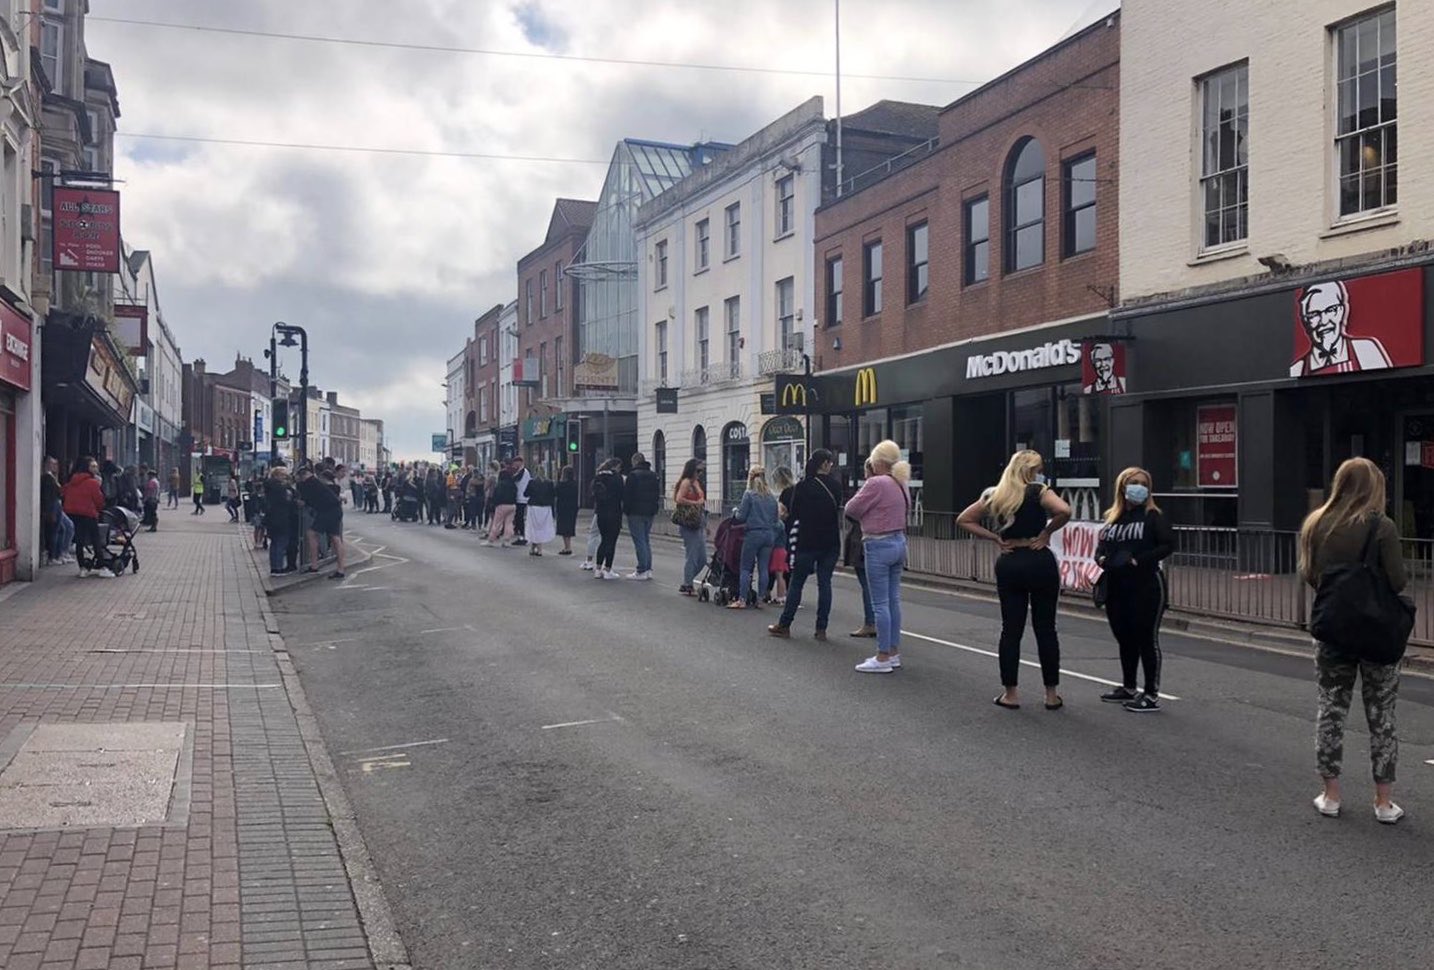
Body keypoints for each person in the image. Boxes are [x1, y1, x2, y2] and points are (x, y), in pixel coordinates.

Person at [1298, 457, 1406, 824]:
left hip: (1334, 630)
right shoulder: (1382, 526)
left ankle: (1330, 794)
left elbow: (1311, 574)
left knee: (1331, 709)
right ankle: (1383, 801)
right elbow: (1398, 580)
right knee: (1382, 716)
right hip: (1377, 632)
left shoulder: (1317, 524)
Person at [958, 450, 1072, 710]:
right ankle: (1051, 694)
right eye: (1038, 468)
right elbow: (1064, 510)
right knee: (1046, 628)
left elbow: (964, 519)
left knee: (1011, 629)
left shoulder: (995, 494)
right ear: (1031, 470)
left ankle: (1011, 694)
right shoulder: (1038, 490)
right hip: (1039, 559)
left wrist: (994, 538)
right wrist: (1046, 533)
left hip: (1010, 561)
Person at [1095, 467, 1173, 712]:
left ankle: (1151, 694)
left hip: (1146, 584)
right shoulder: (1113, 518)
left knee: (1146, 639)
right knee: (1124, 636)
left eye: (1143, 483)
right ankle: (1129, 686)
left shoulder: (1153, 516)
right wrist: (1102, 559)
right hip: (1117, 584)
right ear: (1122, 486)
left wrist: (1140, 560)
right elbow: (1101, 548)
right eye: (1133, 482)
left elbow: (1168, 545)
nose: (1138, 487)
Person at [843, 442, 911, 672]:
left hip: (878, 544)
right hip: (899, 541)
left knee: (879, 602)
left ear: (878, 462)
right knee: (893, 600)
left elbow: (851, 509)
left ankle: (882, 657)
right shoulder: (901, 482)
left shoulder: (876, 482)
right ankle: (893, 652)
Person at [768, 450, 842, 640]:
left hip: (807, 541)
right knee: (825, 584)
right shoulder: (836, 487)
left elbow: (793, 515)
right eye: (830, 463)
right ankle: (821, 629)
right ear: (824, 464)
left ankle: (785, 625)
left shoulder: (802, 487)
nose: (831, 466)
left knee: (797, 583)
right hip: (830, 542)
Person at [1290, 280, 1393, 377]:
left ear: (1341, 311)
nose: (1324, 321)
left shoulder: (1365, 350)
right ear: (1305, 321)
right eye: (1313, 314)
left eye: (1330, 310)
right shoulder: (1297, 369)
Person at [729, 465, 780, 610]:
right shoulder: (771, 496)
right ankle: (760, 599)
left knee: (745, 568)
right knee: (763, 568)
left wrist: (735, 512)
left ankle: (742, 599)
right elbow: (776, 519)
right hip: (769, 535)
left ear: (750, 478)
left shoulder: (749, 494)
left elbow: (741, 516)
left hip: (753, 534)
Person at [62, 456, 112, 578]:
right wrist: (100, 509)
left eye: (96, 466)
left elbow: (64, 493)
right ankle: (101, 566)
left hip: (75, 514)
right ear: (87, 468)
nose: (96, 468)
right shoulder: (93, 483)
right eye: (93, 466)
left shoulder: (73, 481)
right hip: (89, 514)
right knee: (96, 540)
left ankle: (82, 567)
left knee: (80, 541)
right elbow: (99, 500)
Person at [297, 465, 347, 579]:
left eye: (300, 476)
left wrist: (300, 501)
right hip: (335, 509)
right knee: (336, 538)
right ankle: (340, 569)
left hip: (327, 511)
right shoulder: (315, 482)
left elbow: (304, 501)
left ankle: (314, 565)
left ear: (303, 475)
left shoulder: (307, 484)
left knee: (311, 533)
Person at [843, 473, 877, 638]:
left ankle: (870, 622)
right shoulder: (895, 486)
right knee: (886, 588)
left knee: (867, 584)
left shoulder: (869, 489)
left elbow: (850, 511)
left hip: (863, 540)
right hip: (890, 542)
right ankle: (884, 623)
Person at [673, 458, 707, 595]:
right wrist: (694, 503)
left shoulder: (696, 482)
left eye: (701, 471)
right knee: (692, 554)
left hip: (698, 520)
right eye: (698, 471)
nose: (699, 473)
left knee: (702, 557)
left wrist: (705, 524)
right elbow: (679, 498)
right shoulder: (686, 482)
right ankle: (688, 584)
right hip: (689, 522)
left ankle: (688, 579)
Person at [624, 452, 659, 580]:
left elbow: (627, 495)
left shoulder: (633, 476)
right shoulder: (653, 475)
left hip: (635, 511)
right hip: (649, 511)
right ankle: (648, 568)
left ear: (634, 462)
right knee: (646, 540)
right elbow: (657, 494)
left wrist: (626, 510)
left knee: (639, 541)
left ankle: (642, 569)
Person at [591, 458, 625, 579]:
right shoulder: (617, 478)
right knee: (611, 541)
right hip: (614, 512)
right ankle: (608, 569)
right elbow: (622, 494)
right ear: (615, 467)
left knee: (603, 540)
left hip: (601, 512)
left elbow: (593, 495)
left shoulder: (598, 477)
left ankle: (598, 568)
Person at [771, 466, 797, 604]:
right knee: (792, 561)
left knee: (782, 564)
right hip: (798, 528)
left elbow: (782, 513)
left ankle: (780, 593)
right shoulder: (798, 491)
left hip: (786, 529)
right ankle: (792, 592)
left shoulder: (785, 494)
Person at [264, 466, 297, 576]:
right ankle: (278, 568)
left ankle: (274, 567)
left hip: (272, 518)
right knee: (281, 543)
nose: (285, 477)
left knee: (274, 543)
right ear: (277, 475)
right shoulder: (281, 488)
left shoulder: (269, 486)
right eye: (284, 475)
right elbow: (288, 500)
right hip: (282, 518)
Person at [484, 464, 519, 547]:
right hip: (512, 505)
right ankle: (506, 540)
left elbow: (496, 495)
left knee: (497, 523)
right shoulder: (513, 484)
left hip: (501, 505)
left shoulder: (500, 484)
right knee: (509, 523)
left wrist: (494, 504)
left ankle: (491, 540)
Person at [525, 470, 557, 556]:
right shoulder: (549, 483)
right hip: (545, 508)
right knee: (542, 528)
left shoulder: (532, 482)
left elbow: (526, 494)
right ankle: (534, 548)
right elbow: (553, 495)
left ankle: (538, 549)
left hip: (534, 507)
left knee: (534, 527)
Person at [40, 457, 64, 565]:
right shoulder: (47, 478)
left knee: (61, 529)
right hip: (53, 506)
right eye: (52, 464)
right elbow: (48, 496)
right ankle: (52, 556)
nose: (55, 466)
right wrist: (49, 511)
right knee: (55, 531)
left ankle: (58, 554)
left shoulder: (53, 477)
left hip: (56, 505)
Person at [555, 466, 579, 556]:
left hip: (563, 507)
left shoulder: (561, 484)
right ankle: (568, 546)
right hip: (572, 508)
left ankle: (567, 547)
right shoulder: (575, 484)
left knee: (564, 528)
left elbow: (556, 492)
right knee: (569, 527)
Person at [511, 457, 532, 545]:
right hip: (520, 497)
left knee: (520, 517)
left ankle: (523, 535)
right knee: (518, 517)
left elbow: (515, 479)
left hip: (521, 498)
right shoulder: (521, 471)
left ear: (520, 462)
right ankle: (519, 533)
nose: (514, 465)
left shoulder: (523, 471)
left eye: (516, 463)